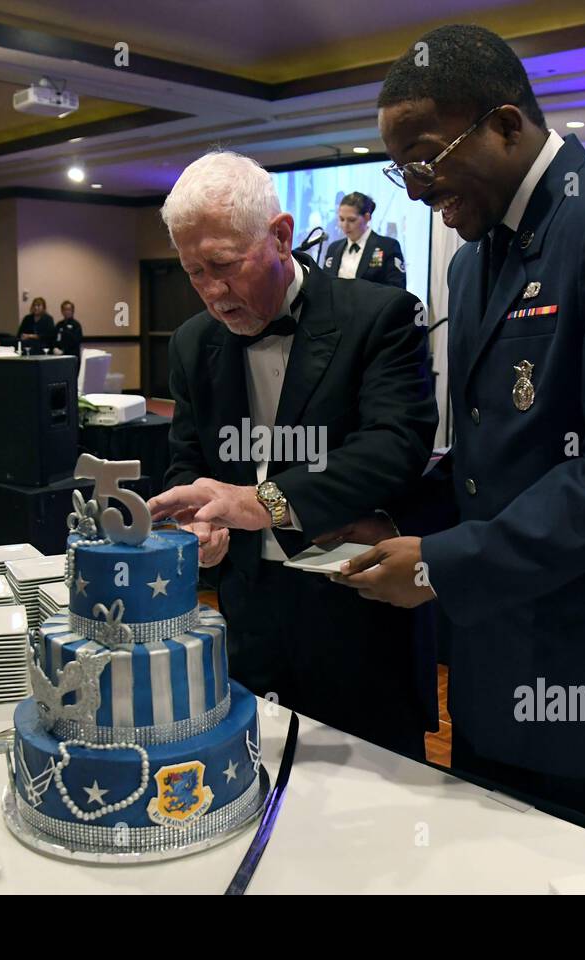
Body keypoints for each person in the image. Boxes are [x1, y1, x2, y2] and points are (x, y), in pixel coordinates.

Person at [333, 25, 585, 849]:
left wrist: (442, 563)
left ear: (507, 124)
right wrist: (395, 524)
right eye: (401, 169)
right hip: (493, 664)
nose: (417, 185)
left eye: (426, 157)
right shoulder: (470, 264)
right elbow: (490, 457)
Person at [146, 151, 439, 761]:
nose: (212, 292)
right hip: (250, 616)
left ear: (280, 236)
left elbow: (394, 448)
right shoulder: (192, 343)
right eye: (193, 272)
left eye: (224, 265)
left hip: (358, 613)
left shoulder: (379, 315)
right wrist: (199, 520)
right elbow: (188, 461)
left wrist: (264, 503)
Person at [323, 192, 406, 289]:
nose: (345, 225)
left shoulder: (388, 247)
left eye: (351, 220)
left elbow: (397, 289)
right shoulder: (334, 248)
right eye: (341, 219)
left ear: (367, 217)